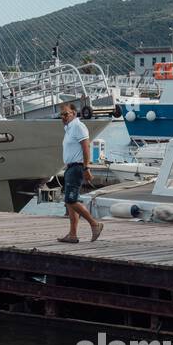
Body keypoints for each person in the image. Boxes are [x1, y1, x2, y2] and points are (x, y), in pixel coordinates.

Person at [58, 102, 103, 243]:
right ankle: (73, 235)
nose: (63, 117)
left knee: (71, 200)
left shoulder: (78, 126)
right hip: (70, 167)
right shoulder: (69, 129)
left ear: (74, 114)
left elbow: (86, 147)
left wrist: (86, 167)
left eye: (66, 114)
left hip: (77, 167)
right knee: (71, 202)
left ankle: (95, 224)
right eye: (61, 115)